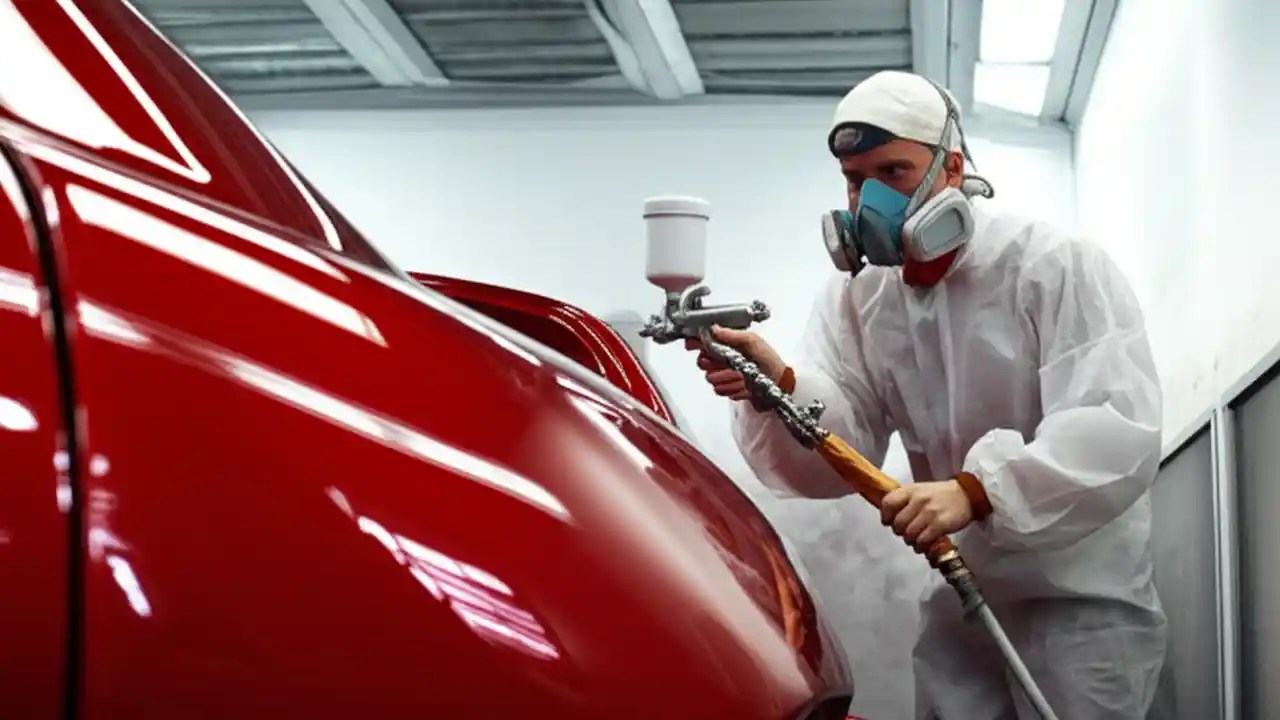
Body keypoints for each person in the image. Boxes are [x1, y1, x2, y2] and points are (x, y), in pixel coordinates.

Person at [687, 70, 1168, 719]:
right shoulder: (860, 297)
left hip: (1078, 606)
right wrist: (781, 390)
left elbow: (1115, 426)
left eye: (894, 171)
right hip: (958, 603)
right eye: (856, 181)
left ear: (952, 168)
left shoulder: (1050, 265)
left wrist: (975, 491)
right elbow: (842, 445)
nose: (870, 201)